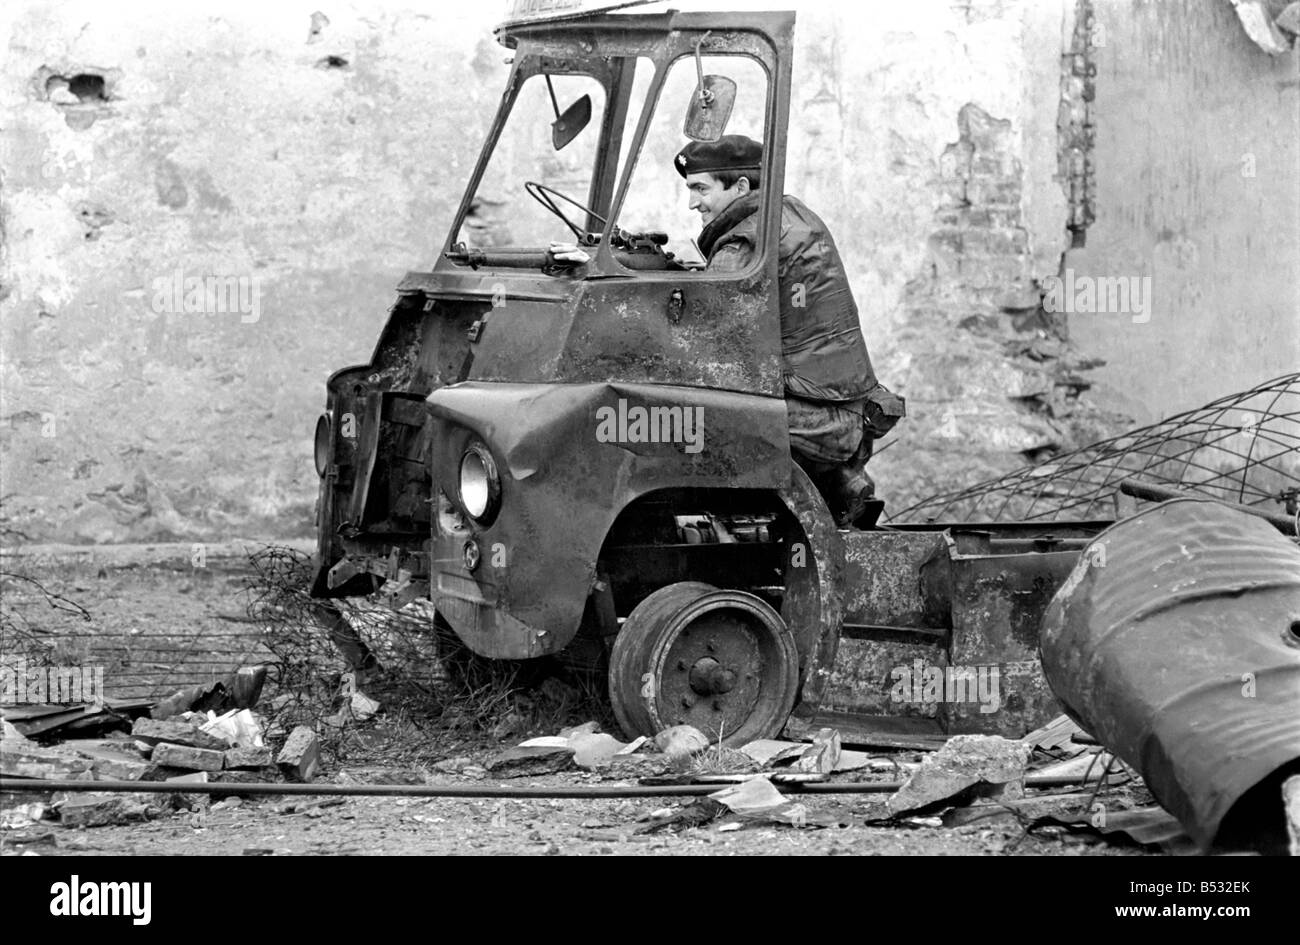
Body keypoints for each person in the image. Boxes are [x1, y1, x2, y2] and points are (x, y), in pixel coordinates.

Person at [675, 134, 904, 526]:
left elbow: (708, 341)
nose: (693, 202)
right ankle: (837, 484)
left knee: (671, 418)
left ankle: (719, 537)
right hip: (841, 410)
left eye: (701, 188)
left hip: (821, 418)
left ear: (742, 187)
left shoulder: (745, 243)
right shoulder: (790, 216)